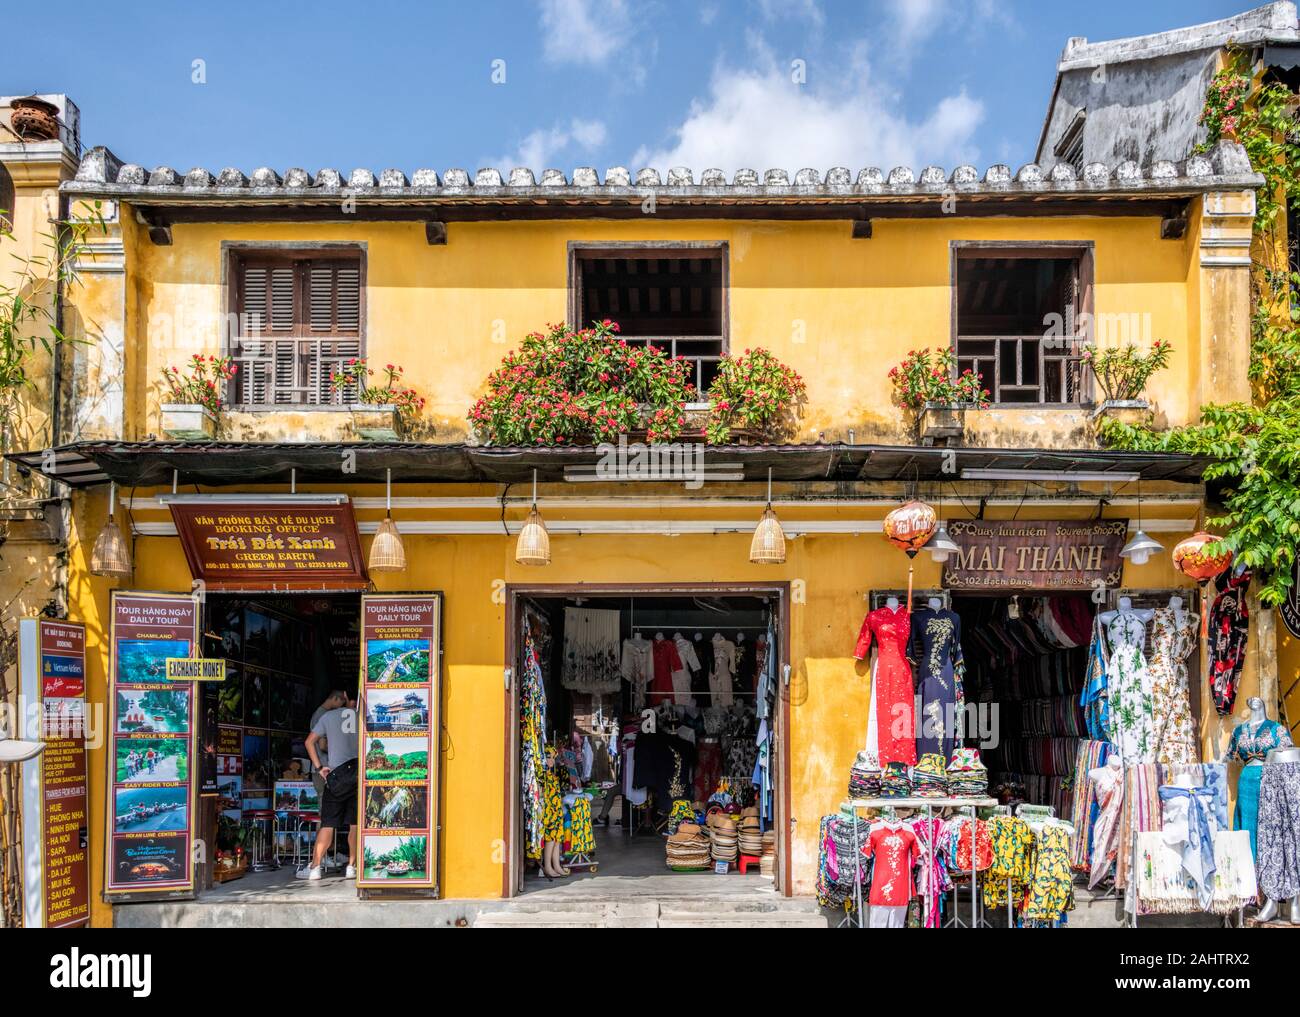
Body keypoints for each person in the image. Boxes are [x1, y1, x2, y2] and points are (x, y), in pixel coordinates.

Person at [298, 692, 359, 880]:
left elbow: (309, 742)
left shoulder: (328, 716)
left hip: (336, 774)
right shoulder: (362, 717)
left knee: (328, 823)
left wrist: (319, 767)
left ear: (345, 696)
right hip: (358, 774)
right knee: (355, 824)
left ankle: (315, 867)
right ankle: (352, 866)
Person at [309, 691, 347, 799]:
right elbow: (322, 745)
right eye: (341, 703)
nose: (341, 707)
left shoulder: (320, 714)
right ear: (335, 699)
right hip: (324, 768)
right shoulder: (323, 716)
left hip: (320, 768)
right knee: (326, 802)